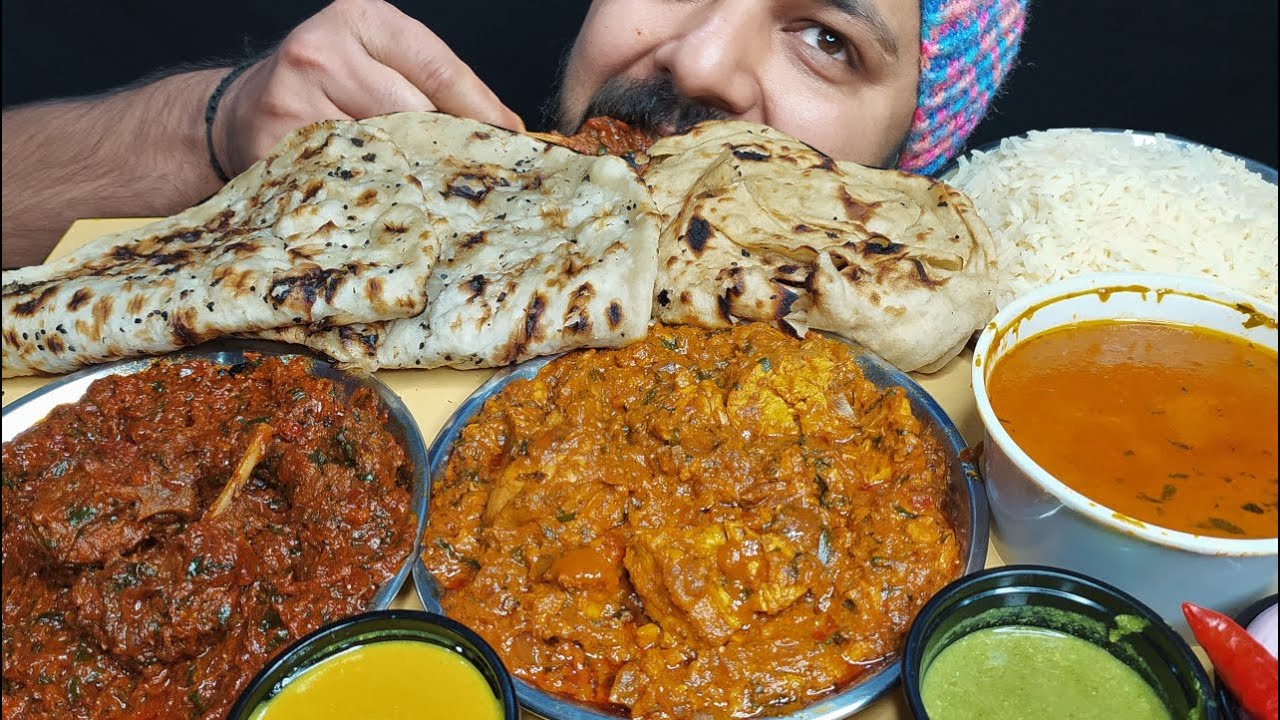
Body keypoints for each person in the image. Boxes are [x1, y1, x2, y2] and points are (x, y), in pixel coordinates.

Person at [0, 0, 1026, 268]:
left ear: (904, 157)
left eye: (823, 39)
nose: (701, 62)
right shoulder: (379, 185)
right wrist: (213, 130)